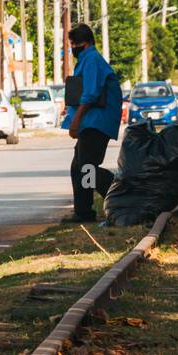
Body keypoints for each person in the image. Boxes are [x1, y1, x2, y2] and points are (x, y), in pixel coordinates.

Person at [61, 23, 122, 223]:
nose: (72, 48)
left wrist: (76, 120)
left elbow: (91, 93)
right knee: (79, 167)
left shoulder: (92, 60)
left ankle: (120, 195)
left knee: (86, 167)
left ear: (85, 43)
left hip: (97, 122)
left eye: (74, 44)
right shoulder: (87, 60)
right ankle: (84, 212)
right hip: (92, 122)